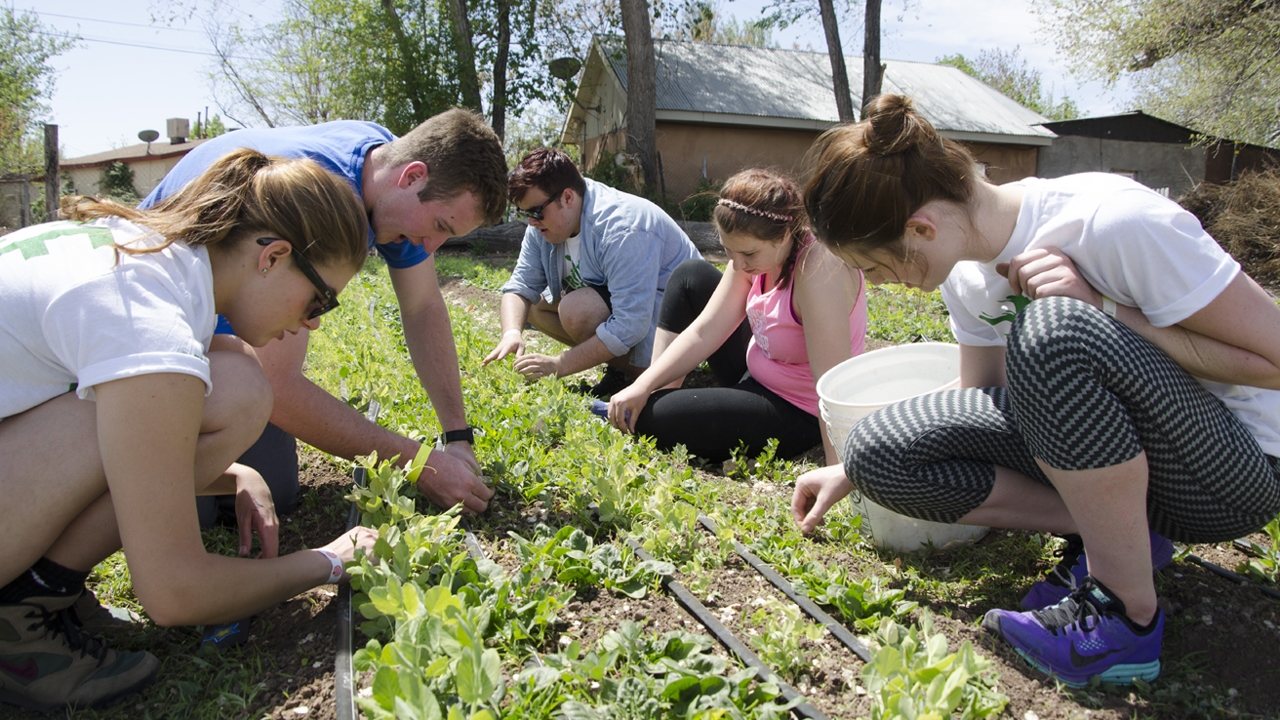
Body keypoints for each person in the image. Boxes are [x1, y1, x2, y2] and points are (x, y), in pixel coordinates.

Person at [791, 94, 1280, 688]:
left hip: (1235, 472)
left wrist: (1104, 311)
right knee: (879, 448)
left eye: (874, 268)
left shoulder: (1112, 222)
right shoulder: (967, 271)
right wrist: (855, 466)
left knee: (1051, 329)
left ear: (920, 228)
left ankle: (1125, 617)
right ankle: (1124, 534)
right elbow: (982, 394)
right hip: (1140, 467)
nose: (881, 285)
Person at [0, 150, 379, 713]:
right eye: (321, 298)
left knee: (230, 382)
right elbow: (175, 591)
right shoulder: (148, 320)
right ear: (273, 257)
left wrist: (232, 473)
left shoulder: (148, 255)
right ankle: (19, 620)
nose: (313, 321)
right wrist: (328, 560)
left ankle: (42, 592)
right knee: (209, 384)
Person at [142, 110, 506, 525]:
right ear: (412, 177)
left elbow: (422, 305)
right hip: (155, 342)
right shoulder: (316, 195)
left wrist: (456, 437)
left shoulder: (384, 160)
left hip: (227, 348)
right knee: (183, 509)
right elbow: (276, 385)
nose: (431, 245)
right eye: (438, 225)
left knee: (272, 489)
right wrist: (419, 461)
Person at [605, 169, 867, 463]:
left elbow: (832, 384)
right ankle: (662, 392)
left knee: (652, 419)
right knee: (690, 275)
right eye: (728, 251)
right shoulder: (748, 257)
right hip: (757, 369)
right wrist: (643, 385)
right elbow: (705, 331)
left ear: (783, 236)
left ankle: (662, 405)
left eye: (749, 254)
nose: (738, 264)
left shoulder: (817, 271)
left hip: (796, 407)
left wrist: (838, 469)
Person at [481, 149, 702, 397]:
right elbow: (520, 285)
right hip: (638, 317)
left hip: (680, 334)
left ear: (567, 198)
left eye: (535, 212)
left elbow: (631, 324)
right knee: (535, 305)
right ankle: (623, 369)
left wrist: (560, 365)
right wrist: (511, 332)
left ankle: (654, 375)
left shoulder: (622, 227)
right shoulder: (544, 224)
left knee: (578, 309)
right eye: (526, 214)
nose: (531, 222)